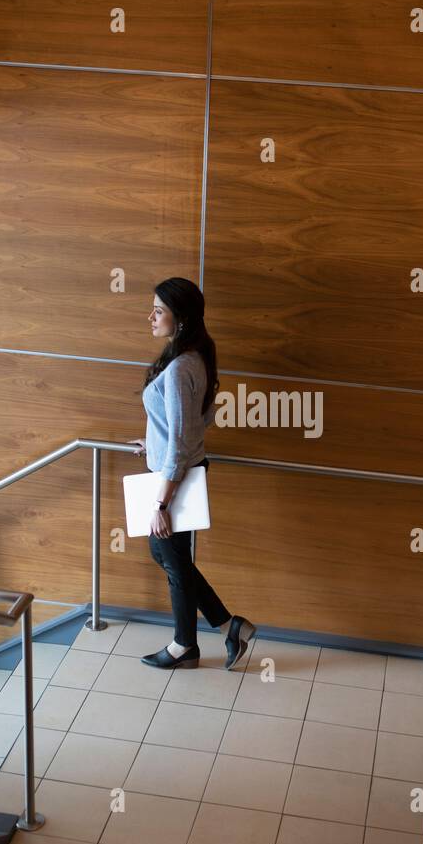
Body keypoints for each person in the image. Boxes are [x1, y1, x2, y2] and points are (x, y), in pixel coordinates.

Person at [129, 276, 256, 670]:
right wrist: (153, 441)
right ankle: (225, 626)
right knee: (169, 555)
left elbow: (183, 439)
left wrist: (161, 502)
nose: (150, 316)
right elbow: (187, 424)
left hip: (176, 479)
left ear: (180, 318)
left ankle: (188, 644)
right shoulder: (190, 354)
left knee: (170, 556)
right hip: (177, 469)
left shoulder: (183, 364)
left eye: (159, 310)